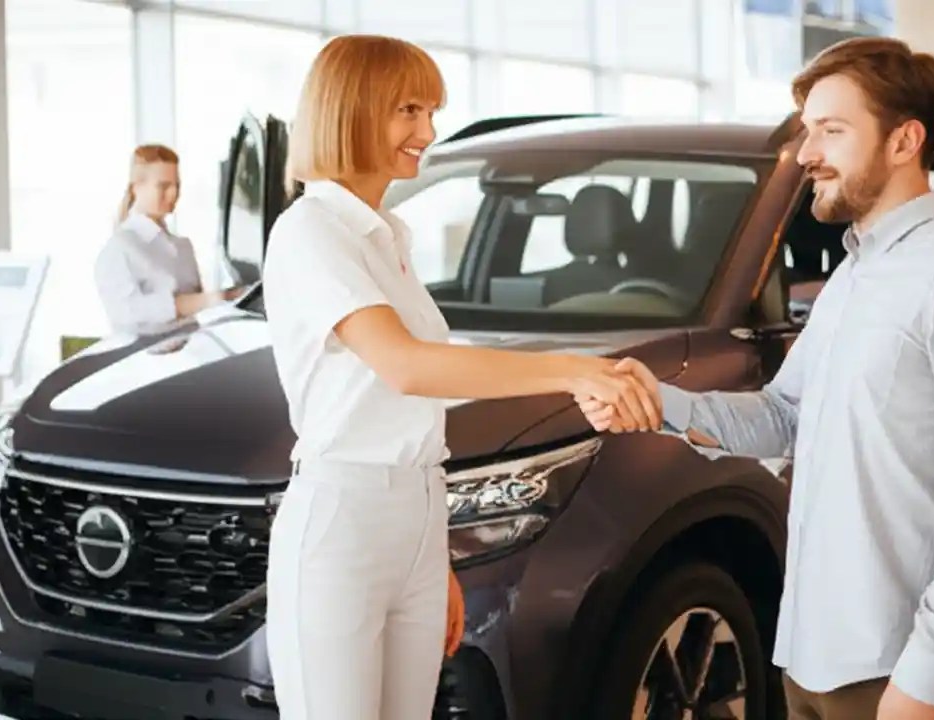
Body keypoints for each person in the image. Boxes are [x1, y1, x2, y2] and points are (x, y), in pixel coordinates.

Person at [581, 37, 934, 720]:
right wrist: (658, 402)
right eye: (807, 131)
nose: (805, 154)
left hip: (894, 667)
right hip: (813, 652)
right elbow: (784, 416)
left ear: (904, 140)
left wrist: (928, 675)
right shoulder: (856, 273)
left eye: (831, 130)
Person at [259, 34, 658, 720]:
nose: (428, 133)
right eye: (408, 111)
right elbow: (408, 368)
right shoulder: (311, 229)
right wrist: (571, 372)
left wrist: (431, 556)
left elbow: (410, 416)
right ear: (351, 111)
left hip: (414, 517)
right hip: (342, 521)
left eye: (430, 111)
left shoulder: (387, 236)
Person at [94, 144, 244, 335]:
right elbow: (125, 314)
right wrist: (193, 303)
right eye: (163, 186)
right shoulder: (118, 249)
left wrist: (223, 298)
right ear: (136, 187)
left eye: (177, 185)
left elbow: (198, 311)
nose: (173, 194)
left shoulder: (183, 247)